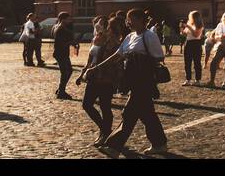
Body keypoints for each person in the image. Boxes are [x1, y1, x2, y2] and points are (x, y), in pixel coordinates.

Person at [90, 9, 168, 155]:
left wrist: (138, 58)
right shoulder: (130, 37)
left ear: (139, 20)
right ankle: (159, 143)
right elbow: (116, 55)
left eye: (130, 19)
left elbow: (159, 58)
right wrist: (96, 67)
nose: (127, 22)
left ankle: (114, 146)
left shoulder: (149, 36)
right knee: (147, 114)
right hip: (132, 81)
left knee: (129, 113)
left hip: (144, 81)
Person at [78, 16, 122, 146]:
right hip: (93, 77)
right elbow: (91, 58)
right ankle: (105, 130)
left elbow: (114, 61)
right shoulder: (96, 39)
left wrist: (117, 81)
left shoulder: (113, 42)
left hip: (106, 78)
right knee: (86, 104)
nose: (98, 26)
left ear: (108, 27)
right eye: (96, 25)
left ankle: (105, 133)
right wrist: (82, 73)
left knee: (105, 107)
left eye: (101, 24)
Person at [53, 12, 79, 99]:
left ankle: (61, 89)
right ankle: (61, 91)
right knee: (65, 72)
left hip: (62, 53)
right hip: (61, 53)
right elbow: (61, 43)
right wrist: (72, 42)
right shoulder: (60, 28)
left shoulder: (57, 27)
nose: (70, 20)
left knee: (69, 71)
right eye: (68, 19)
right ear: (63, 19)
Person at [180, 11, 205, 85]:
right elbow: (183, 34)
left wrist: (188, 27)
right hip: (188, 43)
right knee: (187, 62)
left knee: (197, 63)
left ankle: (197, 80)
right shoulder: (189, 24)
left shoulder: (200, 25)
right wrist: (181, 28)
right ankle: (188, 80)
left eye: (190, 16)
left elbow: (196, 35)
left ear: (194, 17)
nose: (189, 18)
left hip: (196, 44)